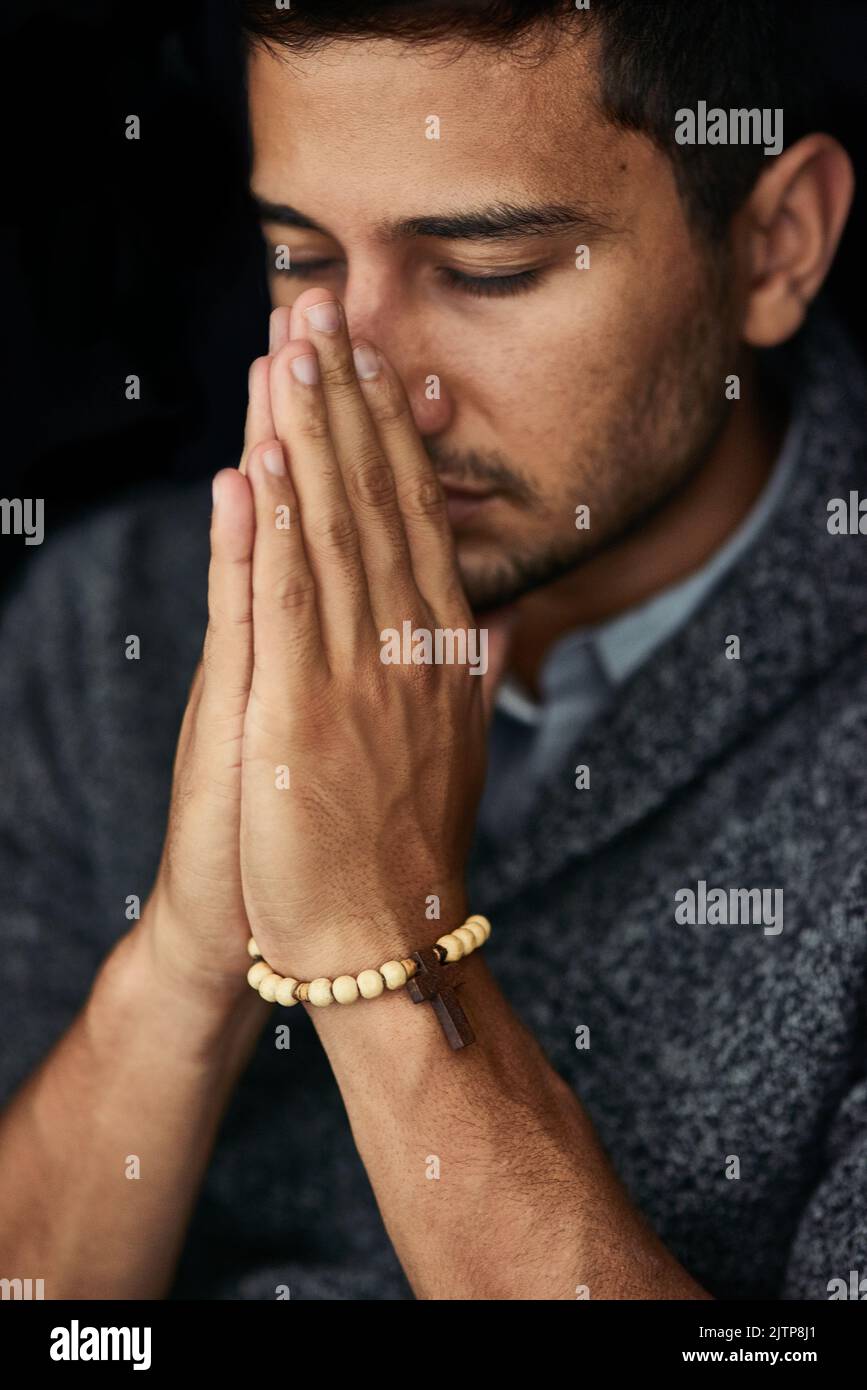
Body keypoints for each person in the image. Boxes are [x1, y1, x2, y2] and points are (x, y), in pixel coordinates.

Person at [0, 0, 863, 1301]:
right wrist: (185, 959)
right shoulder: (104, 623)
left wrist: (379, 949)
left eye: (490, 271)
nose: (375, 377)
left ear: (773, 248)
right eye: (300, 258)